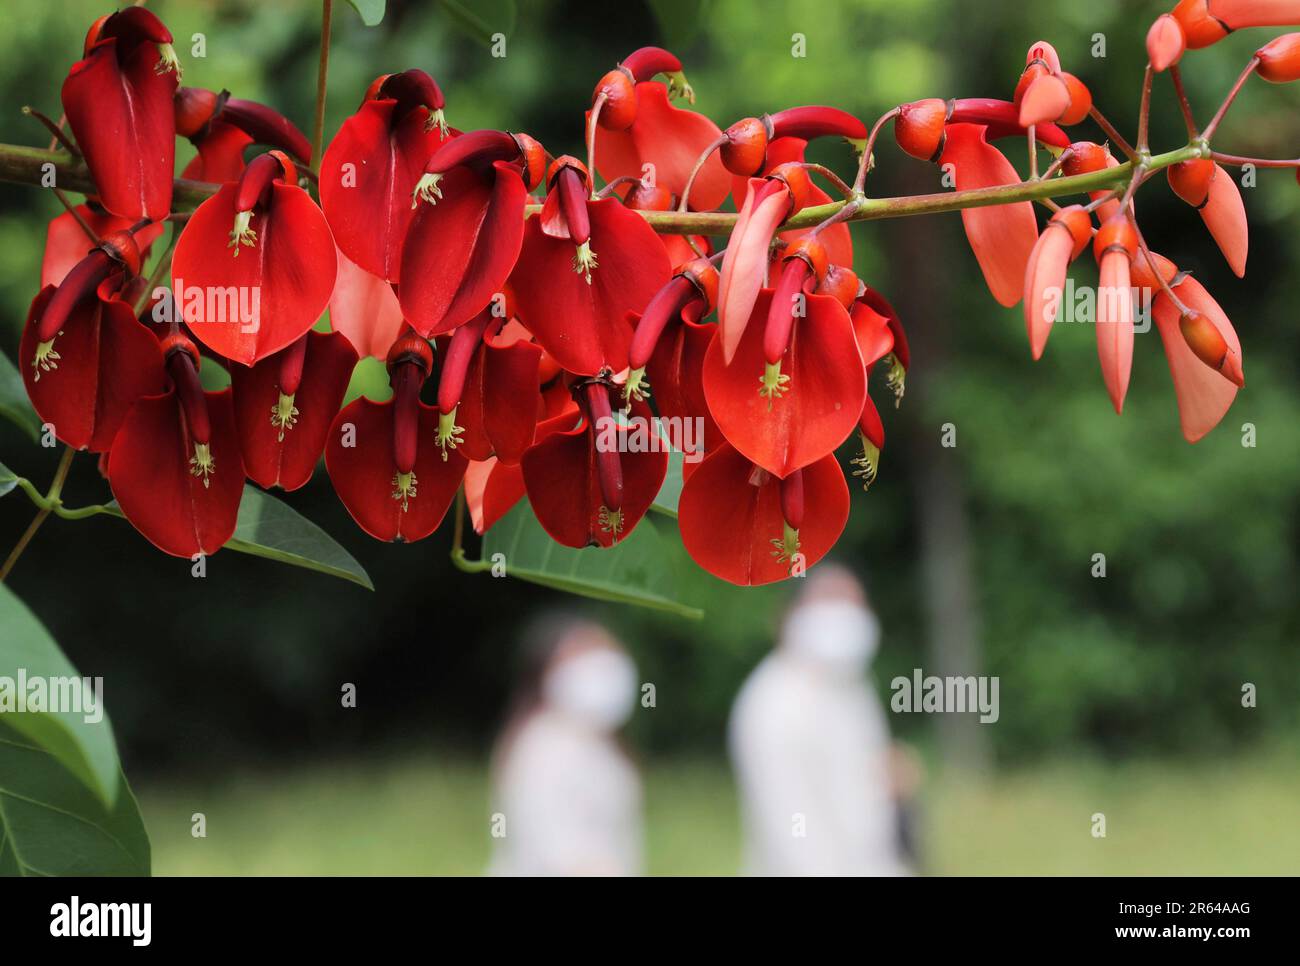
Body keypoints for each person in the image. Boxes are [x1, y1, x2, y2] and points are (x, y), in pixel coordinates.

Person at [729, 563, 909, 876]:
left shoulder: (854, 686)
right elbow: (793, 829)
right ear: (794, 612)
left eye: (853, 603)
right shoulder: (773, 701)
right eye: (830, 600)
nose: (843, 615)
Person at [488, 614, 642, 876]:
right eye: (582, 656)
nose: (600, 669)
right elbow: (561, 853)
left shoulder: (600, 744)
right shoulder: (544, 747)